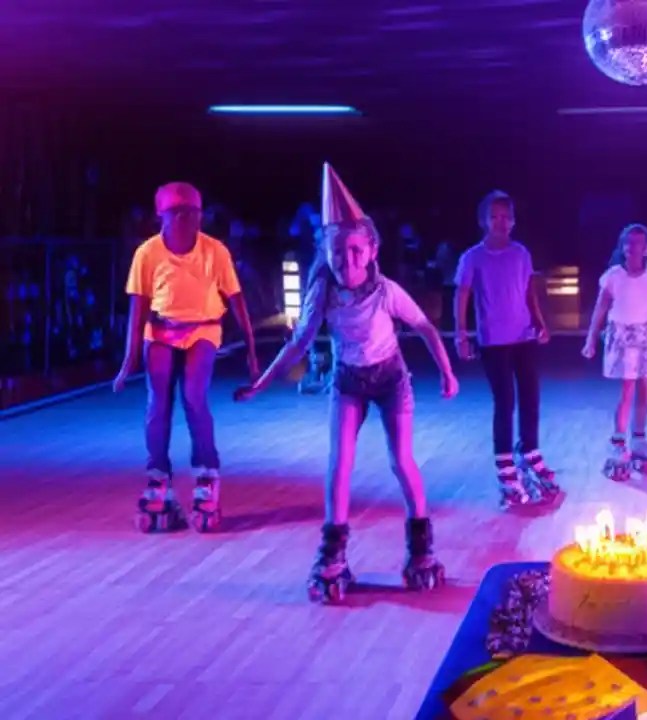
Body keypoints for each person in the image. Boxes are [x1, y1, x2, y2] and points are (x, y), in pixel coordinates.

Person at [236, 164, 459, 603]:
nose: (348, 261)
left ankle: (421, 548)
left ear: (372, 250)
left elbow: (427, 329)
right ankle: (332, 554)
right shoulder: (323, 293)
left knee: (401, 461)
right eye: (338, 254)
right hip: (349, 381)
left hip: (391, 377)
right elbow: (298, 345)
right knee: (340, 463)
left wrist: (448, 373)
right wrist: (261, 383)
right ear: (327, 254)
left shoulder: (387, 291)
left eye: (356, 251)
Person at [114, 181, 258, 533]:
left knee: (194, 396)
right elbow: (138, 309)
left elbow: (237, 301)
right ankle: (157, 478)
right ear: (160, 216)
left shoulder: (215, 252)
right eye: (176, 213)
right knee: (157, 401)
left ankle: (207, 475)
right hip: (161, 331)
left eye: (192, 213)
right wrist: (128, 360)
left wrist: (253, 355)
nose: (185, 220)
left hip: (203, 330)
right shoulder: (147, 254)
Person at [454, 190, 561, 509]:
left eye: (506, 216)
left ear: (513, 221)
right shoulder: (472, 257)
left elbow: (529, 292)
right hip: (494, 341)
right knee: (505, 402)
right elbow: (461, 294)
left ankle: (530, 451)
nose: (500, 222)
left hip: (524, 336)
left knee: (531, 397)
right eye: (494, 216)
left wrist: (540, 323)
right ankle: (505, 468)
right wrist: (461, 333)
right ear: (483, 221)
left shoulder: (521, 253)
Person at [582, 224, 647, 481]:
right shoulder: (613, 276)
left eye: (638, 242)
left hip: (645, 335)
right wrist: (590, 339)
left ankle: (639, 436)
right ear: (622, 247)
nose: (632, 247)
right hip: (621, 335)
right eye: (628, 242)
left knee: (646, 386)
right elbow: (600, 310)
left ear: (646, 248)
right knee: (627, 387)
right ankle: (618, 440)